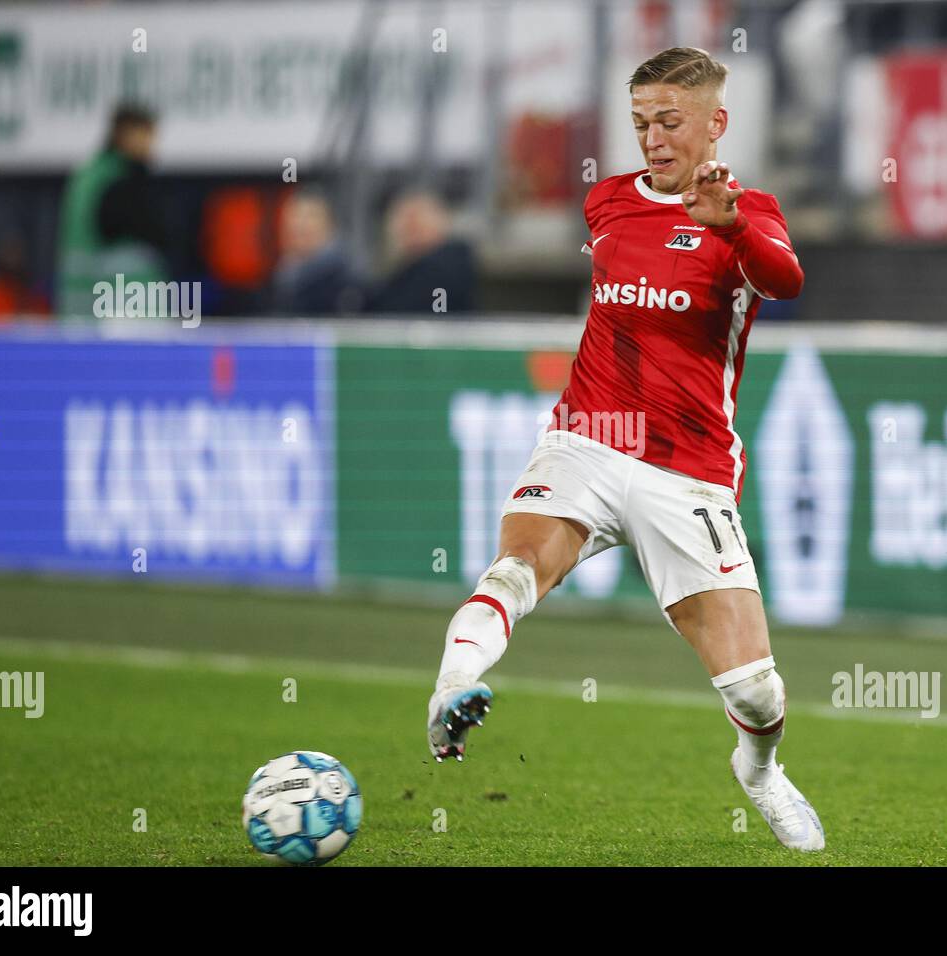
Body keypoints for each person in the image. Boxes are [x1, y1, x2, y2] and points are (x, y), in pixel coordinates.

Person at [424, 48, 823, 852]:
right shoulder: (606, 202)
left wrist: (733, 225)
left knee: (755, 690)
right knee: (515, 568)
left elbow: (784, 281)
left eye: (670, 122)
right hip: (589, 436)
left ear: (716, 122)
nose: (653, 138)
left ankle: (759, 772)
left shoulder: (752, 212)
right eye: (641, 122)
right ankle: (453, 690)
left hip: (688, 469)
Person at [56, 104, 168, 317]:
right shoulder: (113, 179)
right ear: (126, 134)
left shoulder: (89, 173)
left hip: (87, 297)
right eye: (146, 136)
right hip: (102, 295)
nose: (151, 145)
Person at [367, 191, 476, 314]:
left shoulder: (438, 271)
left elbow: (397, 311)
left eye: (414, 227)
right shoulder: (413, 271)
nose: (409, 234)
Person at [270, 189, 365, 316]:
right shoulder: (282, 279)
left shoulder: (346, 286)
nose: (300, 224)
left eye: (310, 216)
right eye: (295, 215)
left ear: (331, 225)